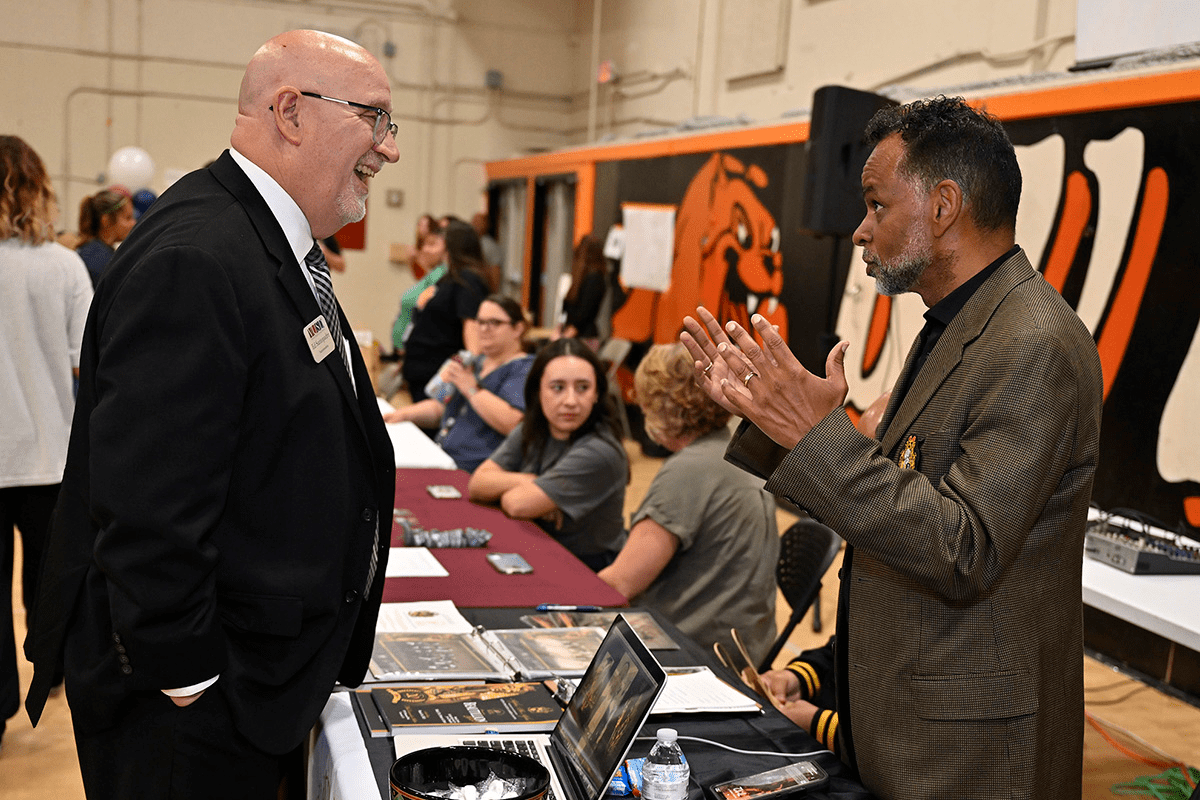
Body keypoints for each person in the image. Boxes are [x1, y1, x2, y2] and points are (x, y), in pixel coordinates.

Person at [681, 96, 1103, 800]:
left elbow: (963, 547)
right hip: (907, 717)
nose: (860, 229)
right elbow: (888, 502)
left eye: (877, 205)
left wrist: (814, 436)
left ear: (943, 206)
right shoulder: (960, 322)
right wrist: (782, 427)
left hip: (970, 750)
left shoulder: (1033, 342)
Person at [23, 30, 399, 798]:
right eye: (374, 118)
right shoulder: (198, 256)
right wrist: (191, 681)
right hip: (194, 715)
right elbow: (148, 504)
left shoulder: (259, 239)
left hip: (250, 684)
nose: (389, 148)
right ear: (290, 113)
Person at [597, 343, 778, 663]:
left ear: (661, 407)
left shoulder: (689, 470)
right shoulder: (739, 456)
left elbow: (620, 585)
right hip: (745, 648)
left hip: (690, 651)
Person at [0, 135, 93, 751]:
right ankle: (52, 669)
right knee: (49, 577)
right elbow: (90, 359)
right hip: (49, 452)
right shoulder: (62, 266)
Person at [468, 338, 627, 571]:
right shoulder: (533, 427)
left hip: (584, 568)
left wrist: (510, 487)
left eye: (583, 388)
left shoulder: (600, 452)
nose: (570, 401)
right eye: (558, 388)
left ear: (597, 394)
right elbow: (478, 483)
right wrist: (531, 481)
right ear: (538, 391)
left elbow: (517, 504)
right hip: (537, 548)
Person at [385, 294, 534, 471]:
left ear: (518, 329)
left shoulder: (524, 369)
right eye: (480, 322)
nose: (484, 329)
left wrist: (470, 388)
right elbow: (442, 409)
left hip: (477, 468)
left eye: (494, 322)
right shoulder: (475, 362)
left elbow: (513, 424)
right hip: (443, 457)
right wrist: (402, 414)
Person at [402, 218, 491, 403]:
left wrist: (467, 375)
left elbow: (472, 336)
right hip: (422, 372)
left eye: (442, 239)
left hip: (438, 377)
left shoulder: (468, 279)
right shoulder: (450, 277)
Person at [75, 185, 136, 287]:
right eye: (127, 218)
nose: (133, 223)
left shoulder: (93, 251)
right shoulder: (100, 261)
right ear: (106, 220)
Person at [555, 233, 608, 347]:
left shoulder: (594, 279)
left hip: (583, 337)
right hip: (577, 334)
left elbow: (585, 311)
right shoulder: (584, 278)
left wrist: (566, 335)